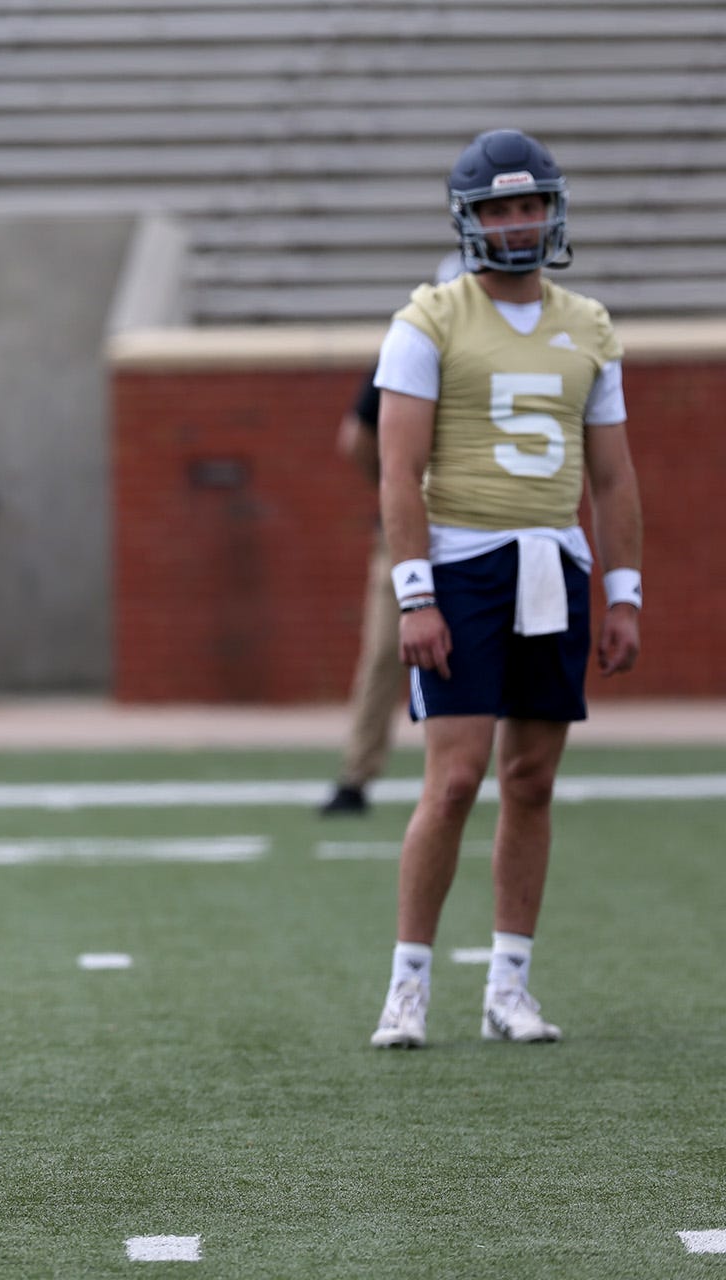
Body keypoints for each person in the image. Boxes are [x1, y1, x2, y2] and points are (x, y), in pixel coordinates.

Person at [367, 130, 642, 1049]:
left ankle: (509, 984)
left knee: (530, 780)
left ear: (552, 211)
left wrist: (626, 591)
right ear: (470, 218)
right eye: (499, 208)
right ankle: (408, 986)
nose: (517, 224)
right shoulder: (429, 318)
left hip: (554, 565)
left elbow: (613, 478)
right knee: (453, 781)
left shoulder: (589, 323)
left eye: (529, 206)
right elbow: (397, 474)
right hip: (461, 560)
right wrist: (416, 595)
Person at [321, 253, 463, 817]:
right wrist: (397, 488)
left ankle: (503, 766)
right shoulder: (409, 348)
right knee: (385, 651)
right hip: (412, 531)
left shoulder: (508, 356)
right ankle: (357, 774)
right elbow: (356, 437)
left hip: (487, 529)